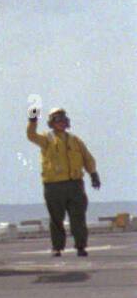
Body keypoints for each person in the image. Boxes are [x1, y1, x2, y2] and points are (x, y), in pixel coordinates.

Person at [26, 107, 101, 257]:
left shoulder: (75, 141)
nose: (61, 123)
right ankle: (57, 247)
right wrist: (33, 118)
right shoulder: (47, 139)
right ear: (51, 123)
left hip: (75, 185)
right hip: (53, 186)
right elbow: (31, 135)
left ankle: (81, 246)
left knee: (78, 217)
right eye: (57, 120)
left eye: (63, 120)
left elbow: (87, 158)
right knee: (56, 219)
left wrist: (93, 174)